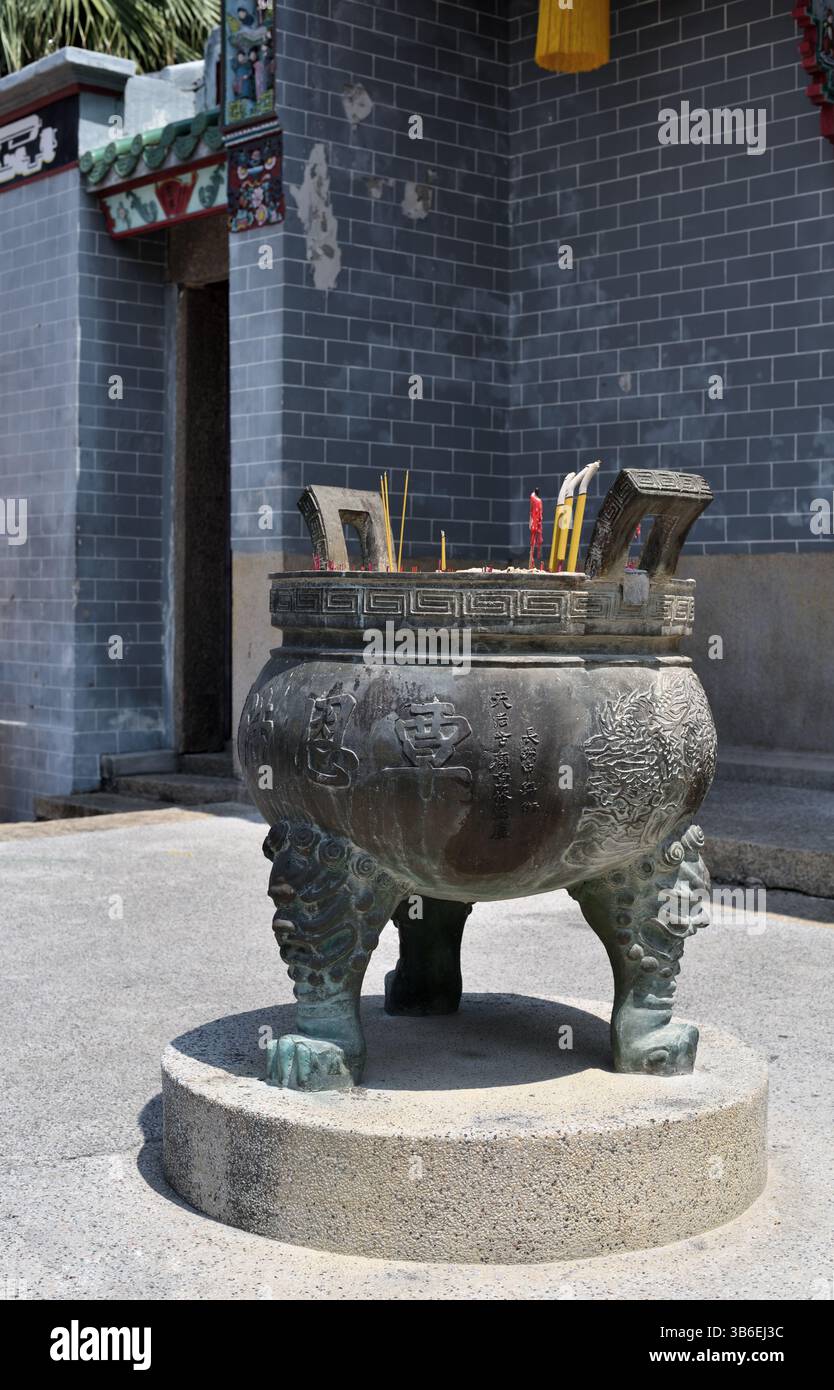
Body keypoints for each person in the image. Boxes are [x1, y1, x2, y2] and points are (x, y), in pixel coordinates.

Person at [529, 488, 543, 568]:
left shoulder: (535, 498)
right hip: (535, 521)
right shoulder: (537, 499)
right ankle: (532, 560)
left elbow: (538, 512)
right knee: (533, 540)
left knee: (535, 540)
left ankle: (534, 558)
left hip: (536, 522)